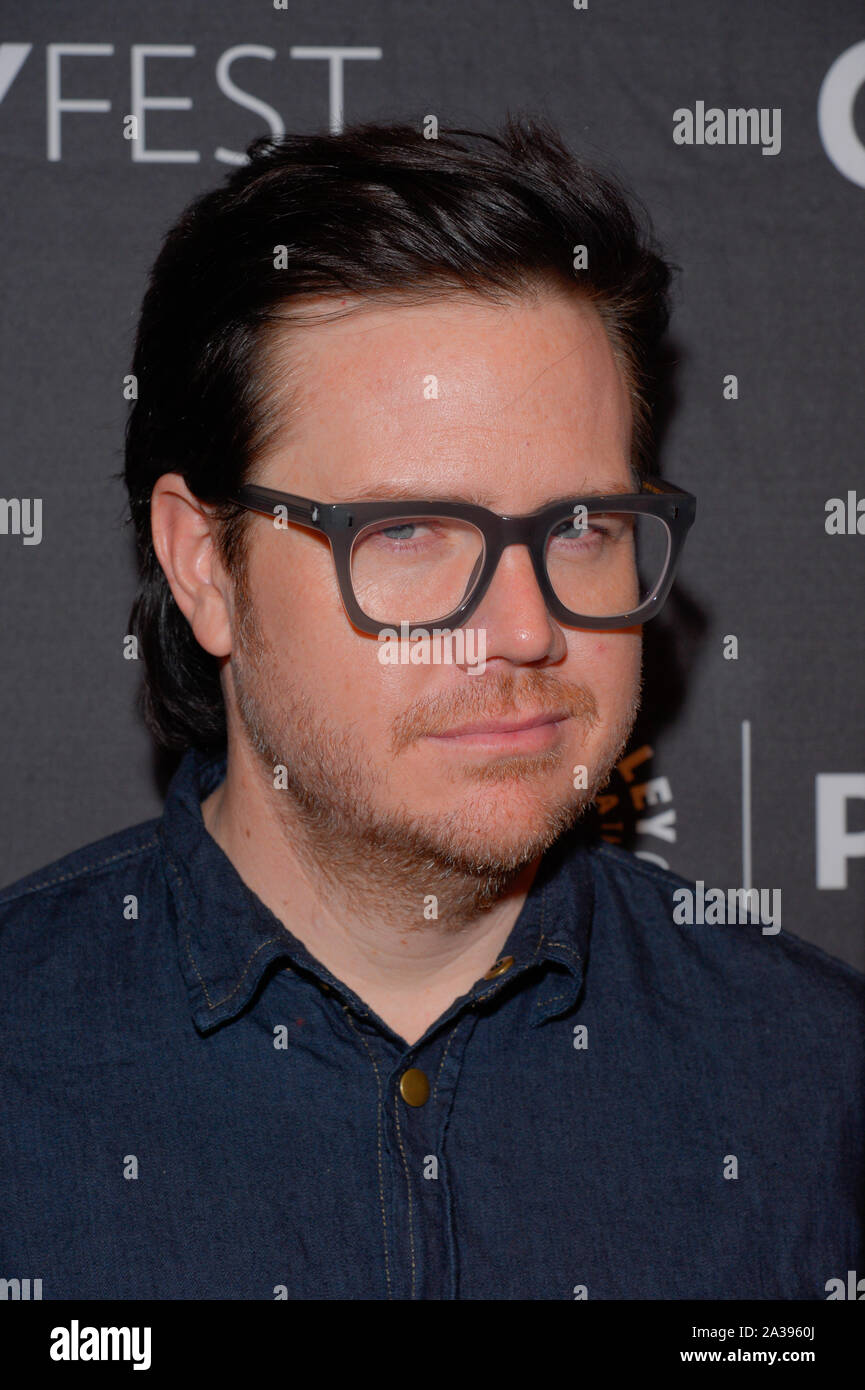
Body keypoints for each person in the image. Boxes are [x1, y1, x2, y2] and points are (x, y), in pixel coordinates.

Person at [0, 118, 860, 1301]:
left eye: (579, 527)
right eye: (406, 532)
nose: (524, 629)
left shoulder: (816, 1085)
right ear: (205, 564)